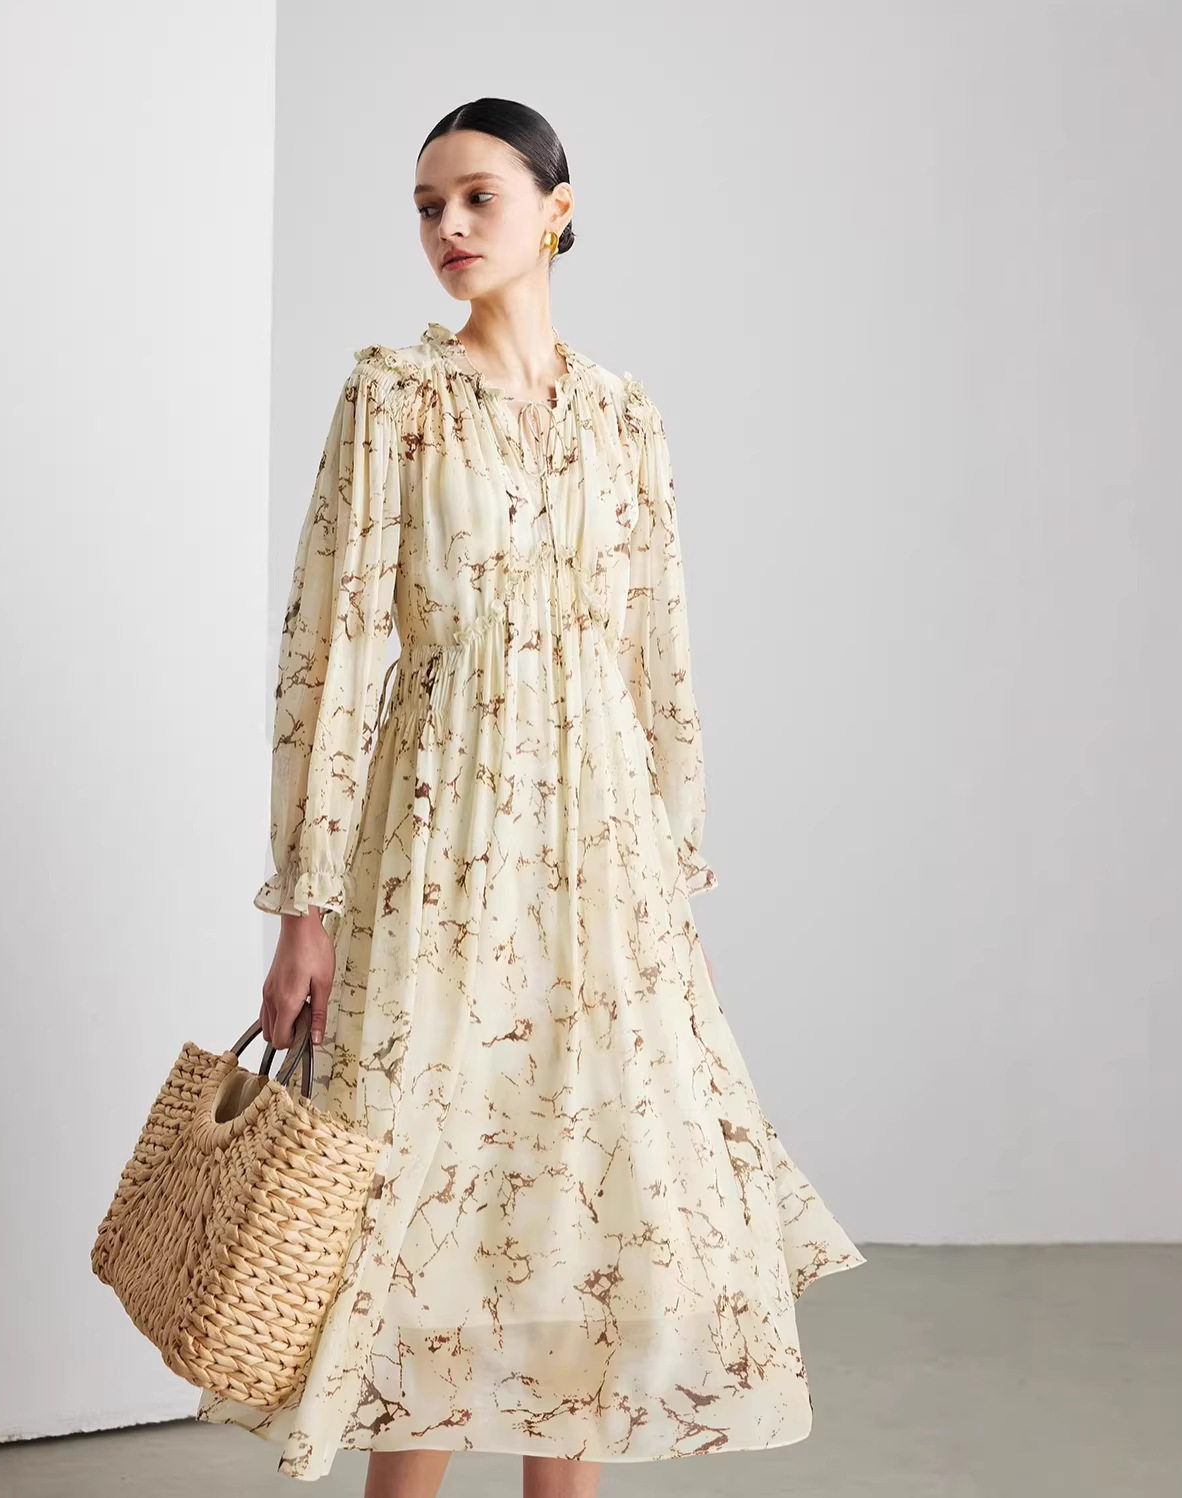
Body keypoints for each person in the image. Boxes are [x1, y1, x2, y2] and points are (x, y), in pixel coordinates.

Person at [196, 97, 866, 1493]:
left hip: (600, 849)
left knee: (585, 1183)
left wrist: (667, 872)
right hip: (439, 836)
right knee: (423, 1187)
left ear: (558, 208)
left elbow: (656, 654)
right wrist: (304, 906)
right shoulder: (395, 397)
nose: (446, 226)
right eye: (425, 205)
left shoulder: (624, 415)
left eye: (477, 197)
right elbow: (329, 652)